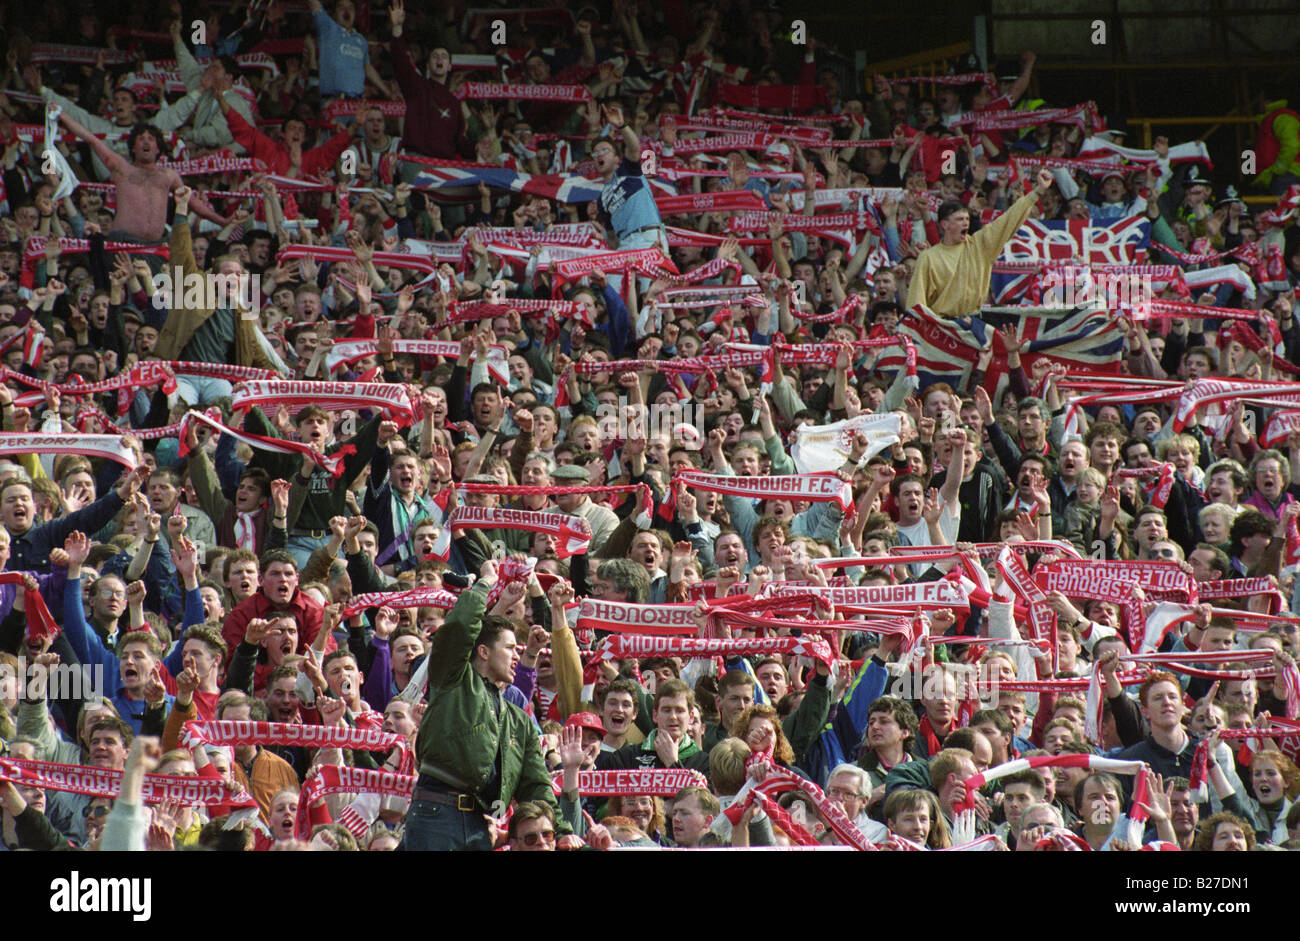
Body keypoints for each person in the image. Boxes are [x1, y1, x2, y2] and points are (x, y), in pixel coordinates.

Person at [403, 561, 565, 850]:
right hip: (435, 816)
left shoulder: (519, 719)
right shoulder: (452, 679)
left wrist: (562, 833)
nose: (518, 656)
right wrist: (485, 583)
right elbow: (459, 627)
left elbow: (536, 786)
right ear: (483, 651)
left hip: (479, 823)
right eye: (510, 648)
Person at [906, 168, 1056, 317]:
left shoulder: (979, 246)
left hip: (973, 324)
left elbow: (1008, 220)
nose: (966, 223)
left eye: (967, 219)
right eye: (959, 220)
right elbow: (916, 302)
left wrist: (1037, 192)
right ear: (945, 225)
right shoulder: (928, 257)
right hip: (940, 329)